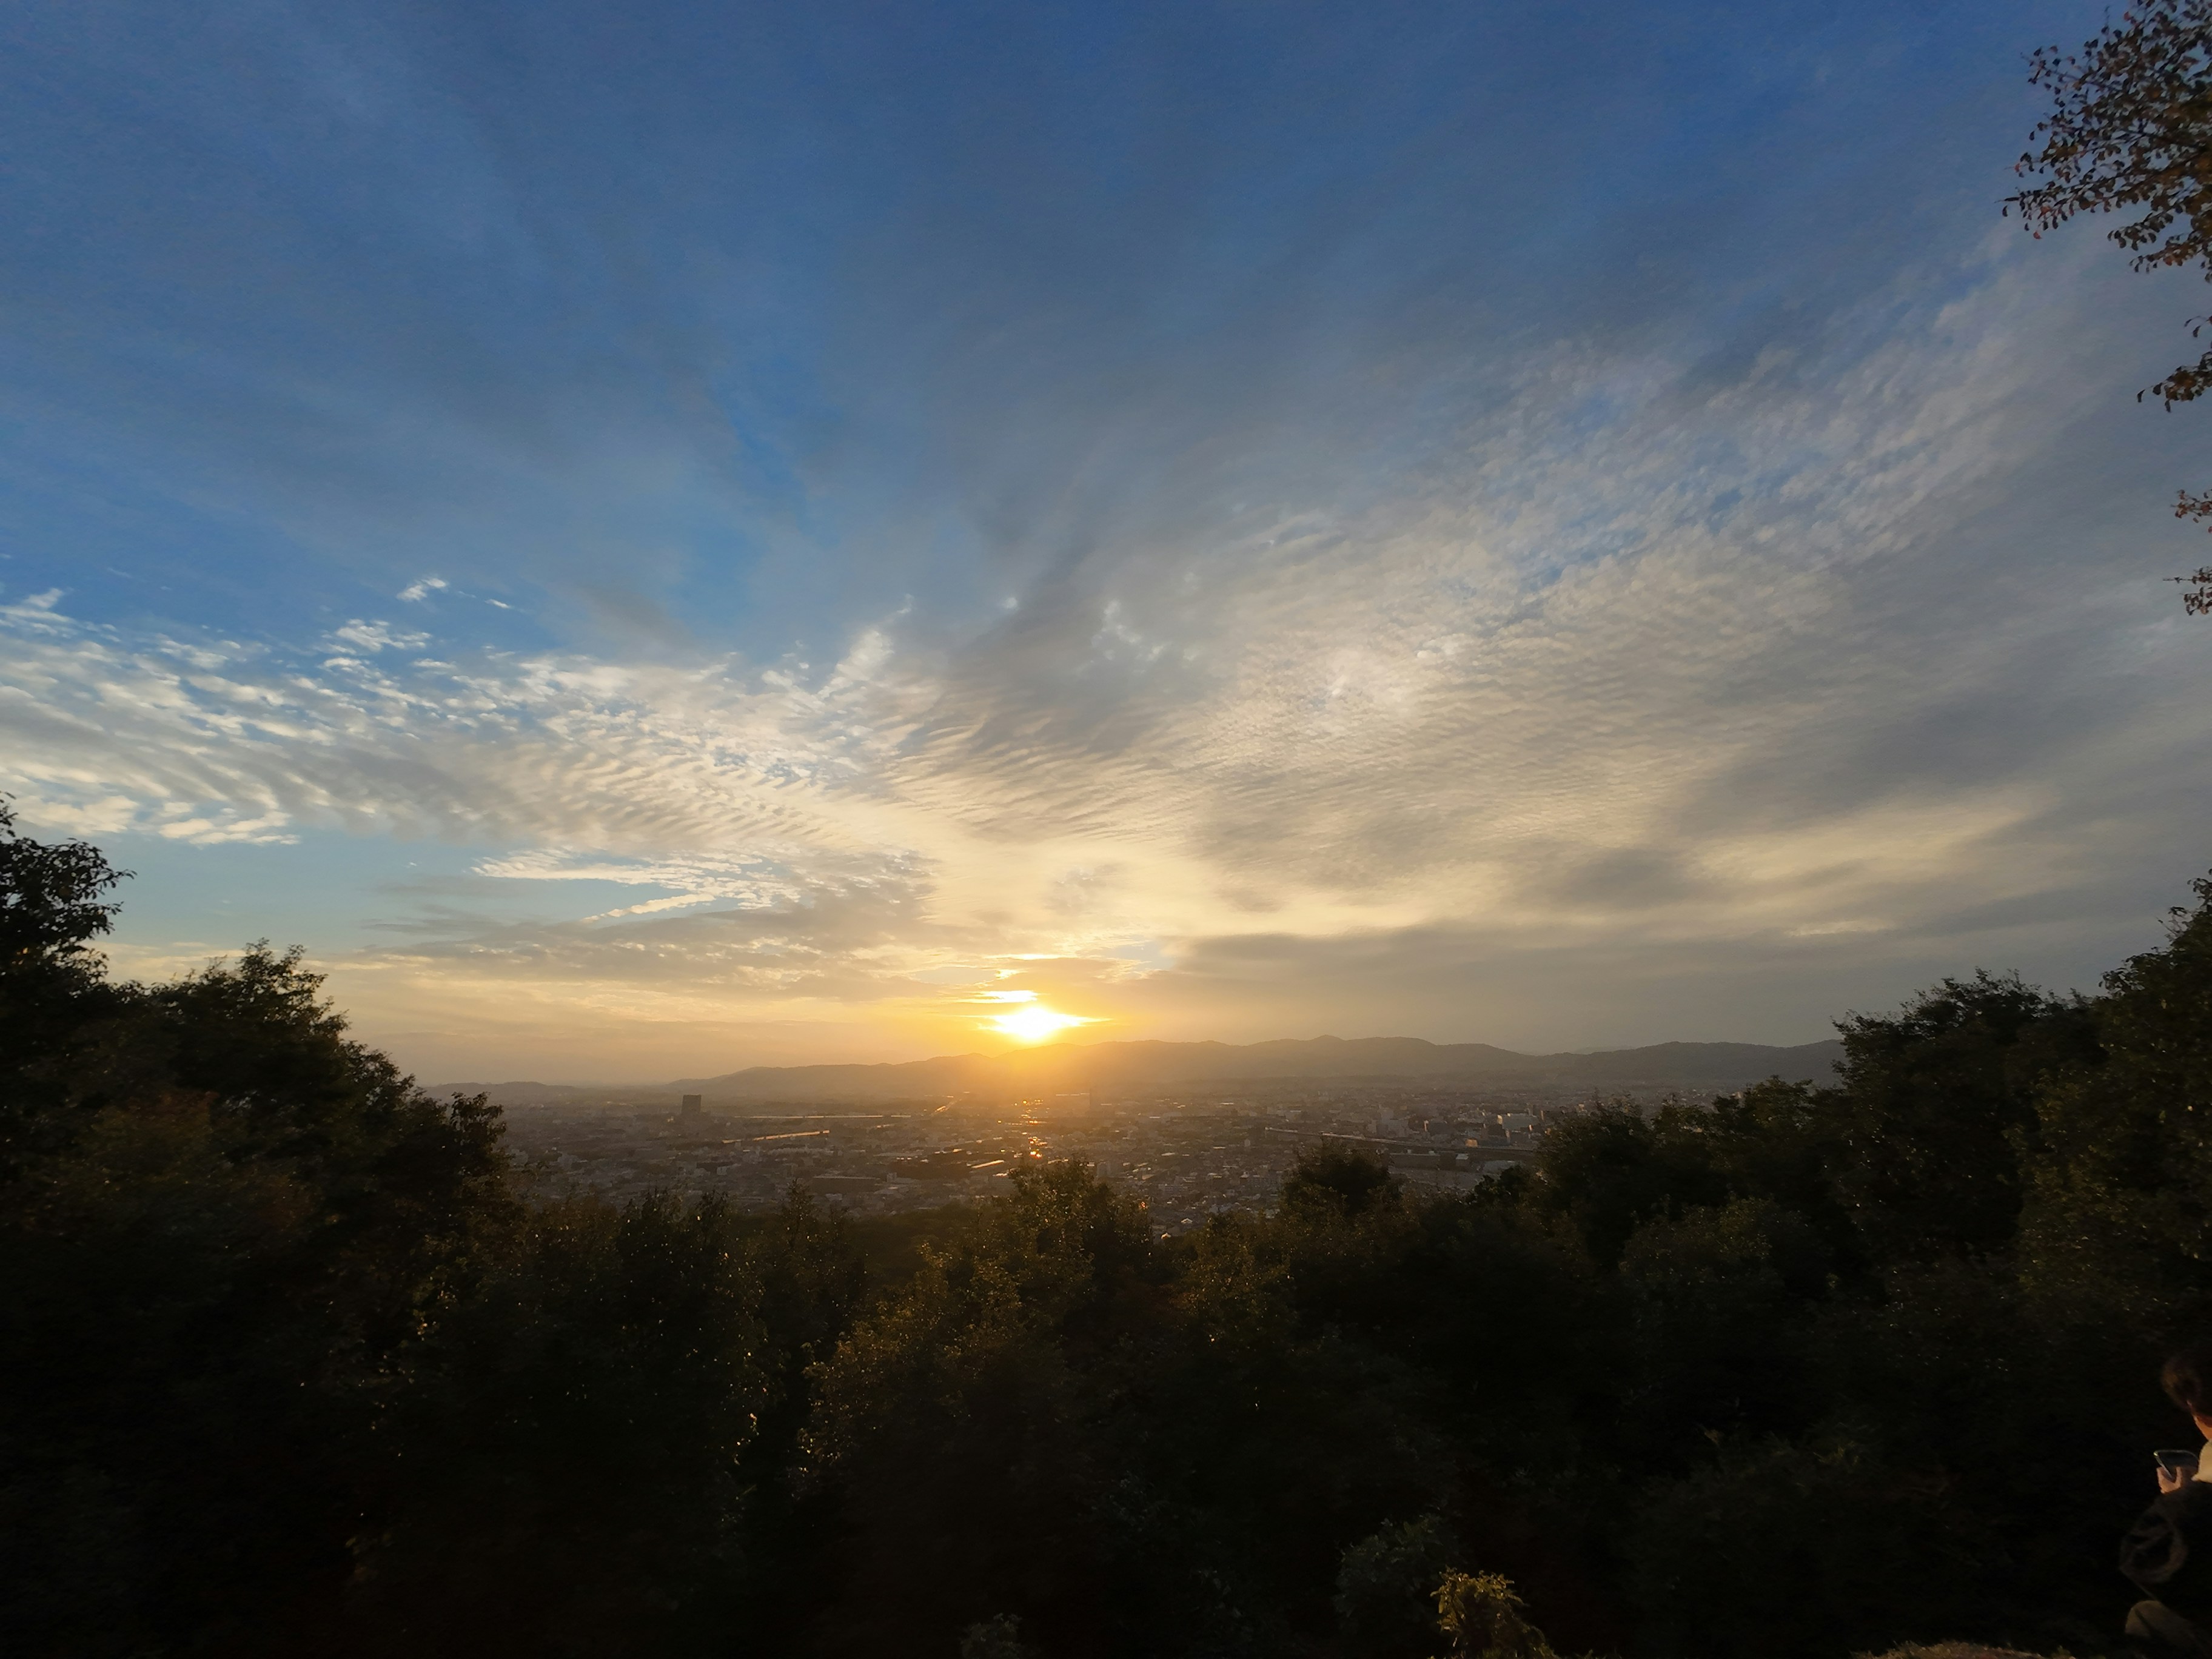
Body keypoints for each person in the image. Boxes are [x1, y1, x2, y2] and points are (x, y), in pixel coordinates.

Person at [2123, 1348, 2212, 1659]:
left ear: (2194, 1407)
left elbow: (2158, 1570)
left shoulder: (2200, 1498)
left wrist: (2178, 1503)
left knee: (2148, 1619)